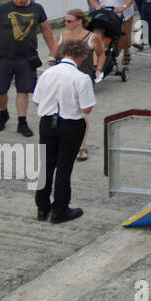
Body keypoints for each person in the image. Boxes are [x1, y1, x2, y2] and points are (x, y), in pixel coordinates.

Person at [31, 38, 95, 224]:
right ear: (81, 56)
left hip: (47, 122)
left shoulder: (47, 73)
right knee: (64, 167)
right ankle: (60, 210)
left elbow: (37, 100)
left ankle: (42, 208)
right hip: (70, 124)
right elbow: (86, 109)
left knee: (46, 166)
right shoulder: (81, 78)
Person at [0, 0, 54, 138]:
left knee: (23, 89)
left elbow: (46, 28)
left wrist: (53, 49)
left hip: (26, 57)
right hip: (3, 56)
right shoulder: (2, 9)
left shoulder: (37, 9)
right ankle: (3, 113)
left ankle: (22, 121)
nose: (19, 0)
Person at [54, 9, 100, 161]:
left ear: (80, 21)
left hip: (83, 79)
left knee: (82, 113)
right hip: (63, 80)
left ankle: (82, 145)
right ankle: (63, 142)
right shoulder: (61, 37)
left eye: (69, 21)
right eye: (65, 21)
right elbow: (52, 55)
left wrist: (98, 69)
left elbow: (101, 53)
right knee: (62, 111)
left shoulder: (92, 37)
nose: (65, 24)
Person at [89, 0, 136, 69]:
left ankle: (126, 50)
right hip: (106, 14)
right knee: (104, 34)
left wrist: (124, 6)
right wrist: (97, 6)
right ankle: (103, 54)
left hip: (123, 15)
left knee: (124, 36)